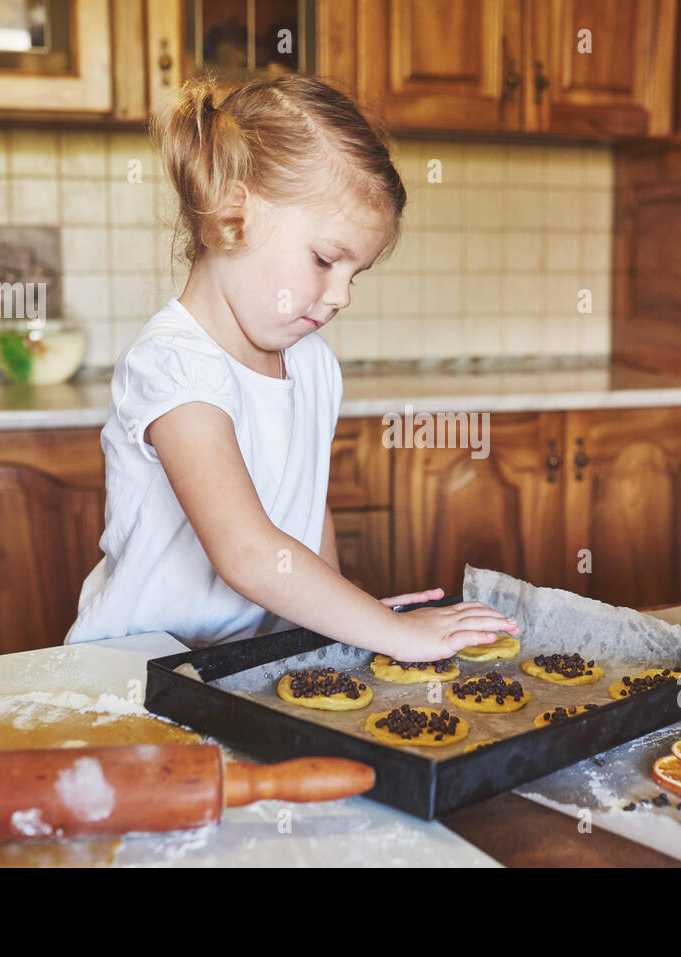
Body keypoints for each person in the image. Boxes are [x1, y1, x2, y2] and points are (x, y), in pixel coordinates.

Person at [65, 74, 518, 660]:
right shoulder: (175, 366)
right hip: (138, 670)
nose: (341, 296)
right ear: (233, 214)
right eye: (325, 260)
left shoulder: (313, 365)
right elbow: (249, 554)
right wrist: (399, 634)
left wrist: (341, 623)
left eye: (355, 274)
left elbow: (307, 514)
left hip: (250, 662)